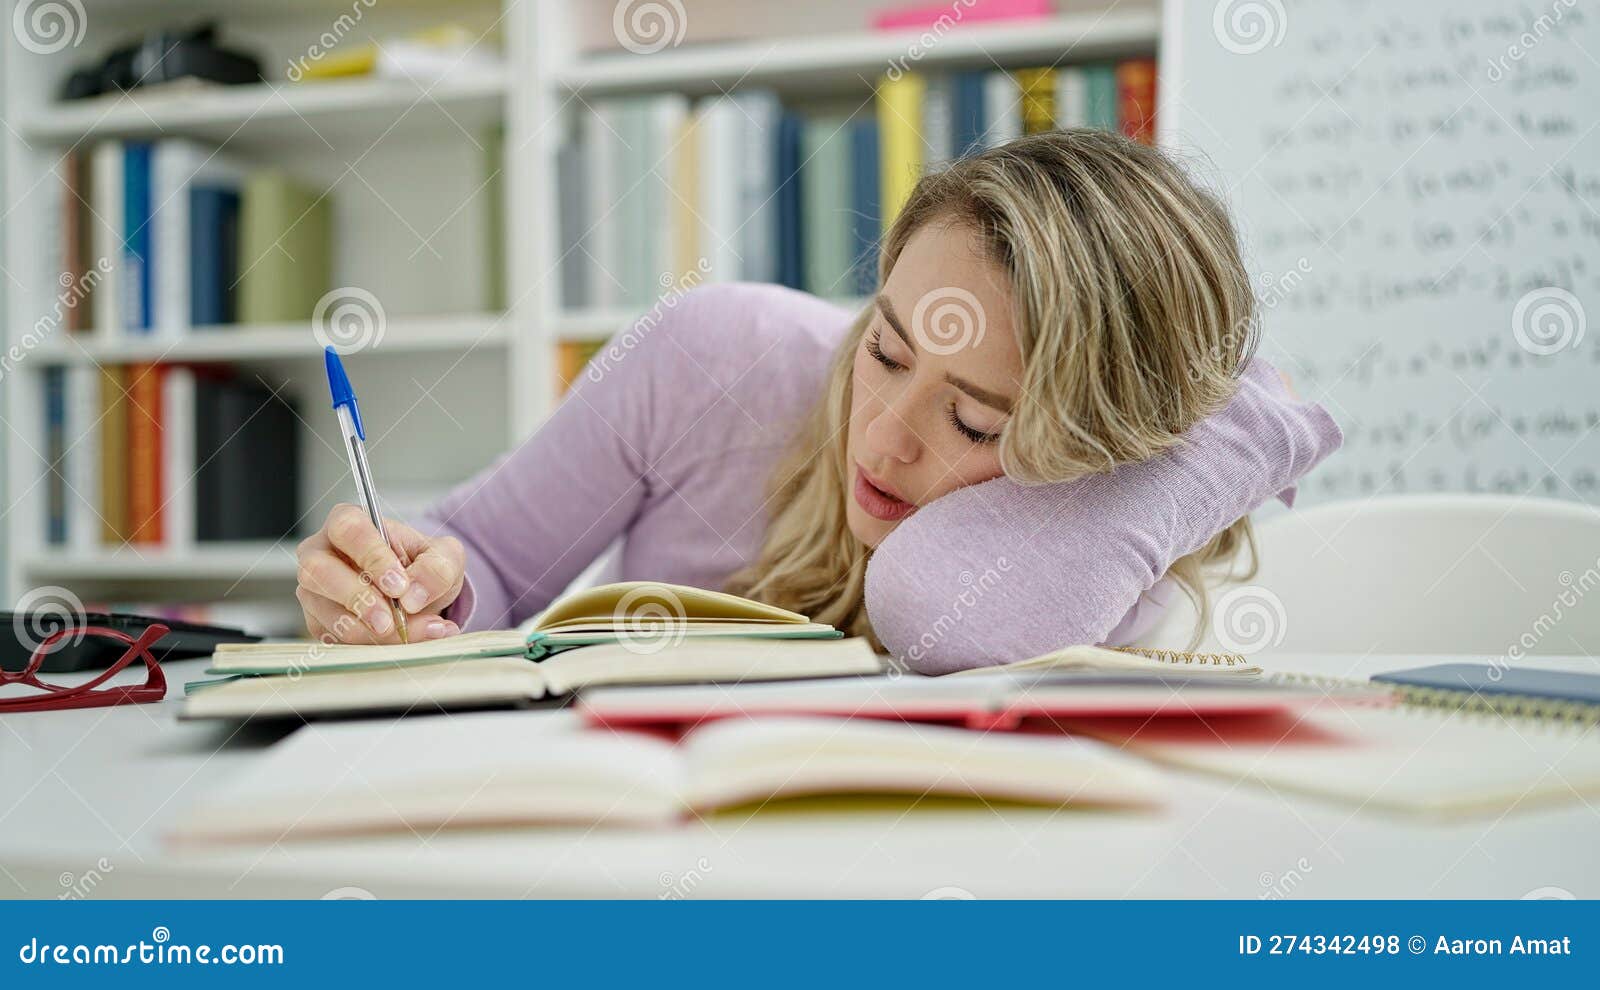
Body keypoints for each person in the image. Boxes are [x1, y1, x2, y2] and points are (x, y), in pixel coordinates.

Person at [294, 129, 1341, 673]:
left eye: (974, 422)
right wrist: (409, 582)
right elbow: (488, 549)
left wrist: (1225, 444)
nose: (882, 440)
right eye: (885, 349)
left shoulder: (1107, 538)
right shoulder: (718, 357)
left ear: (1102, 457)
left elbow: (936, 607)